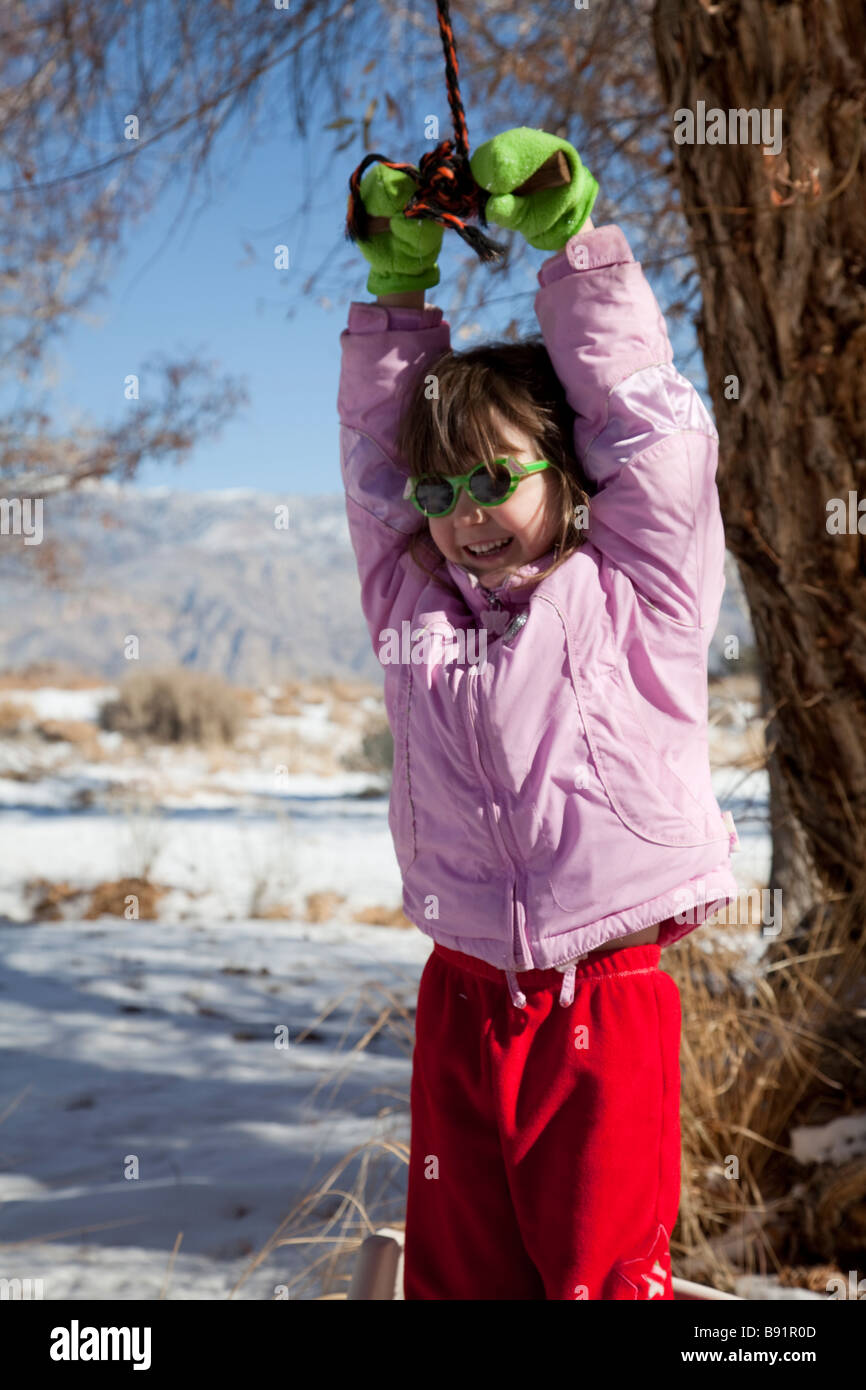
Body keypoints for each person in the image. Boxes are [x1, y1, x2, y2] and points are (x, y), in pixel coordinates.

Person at [336, 126, 740, 1300]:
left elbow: (652, 437)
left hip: (600, 999)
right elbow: (374, 471)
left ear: (562, 471)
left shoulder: (635, 584)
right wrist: (397, 290)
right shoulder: (414, 599)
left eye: (493, 478)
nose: (462, 513)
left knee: (596, 1277)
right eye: (441, 488)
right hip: (457, 992)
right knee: (462, 1278)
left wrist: (573, 247)